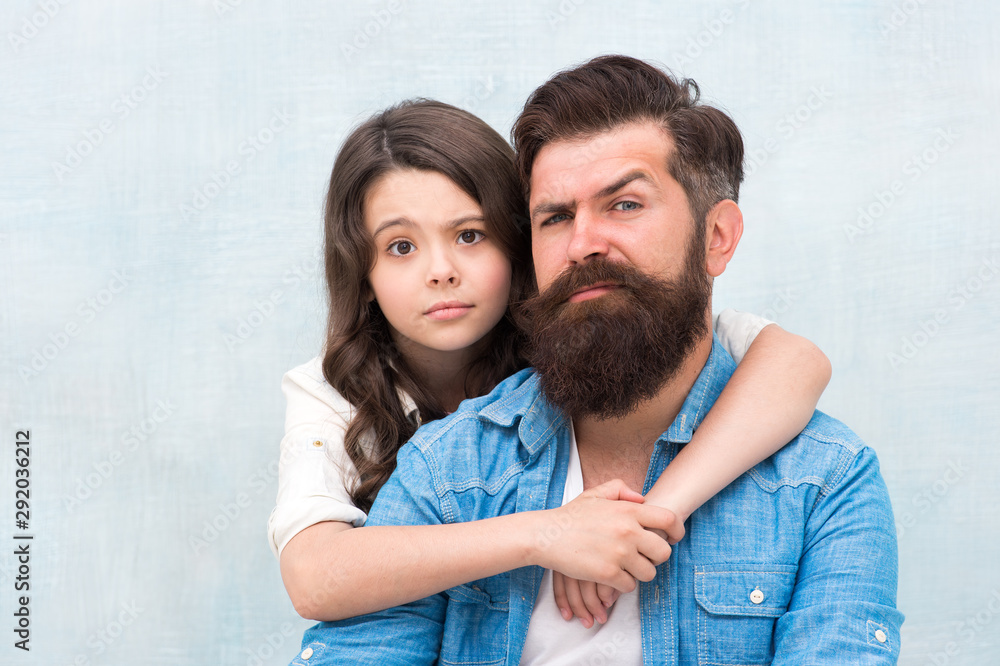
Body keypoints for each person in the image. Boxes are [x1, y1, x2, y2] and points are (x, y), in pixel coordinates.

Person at [287, 56, 903, 666]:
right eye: (555, 217)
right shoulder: (442, 467)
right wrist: (543, 533)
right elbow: (318, 579)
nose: (583, 245)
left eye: (625, 204)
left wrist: (653, 516)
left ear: (717, 238)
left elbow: (794, 362)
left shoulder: (824, 484)